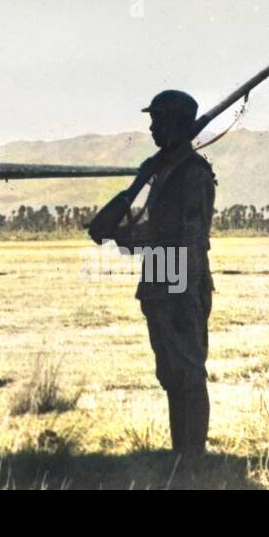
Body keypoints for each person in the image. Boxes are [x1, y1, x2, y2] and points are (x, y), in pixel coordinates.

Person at [87, 89, 215, 459]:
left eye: (158, 119)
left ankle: (192, 461)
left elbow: (190, 239)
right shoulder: (162, 172)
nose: (152, 126)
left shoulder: (192, 173)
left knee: (188, 373)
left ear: (177, 123)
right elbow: (152, 233)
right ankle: (182, 456)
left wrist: (181, 294)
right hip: (160, 278)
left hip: (179, 281)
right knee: (172, 375)